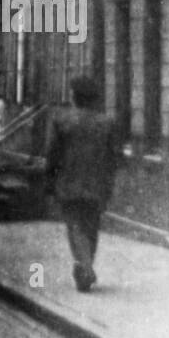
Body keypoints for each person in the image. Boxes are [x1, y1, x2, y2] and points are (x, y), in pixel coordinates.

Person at [45, 74, 119, 293]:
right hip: (97, 185)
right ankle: (85, 268)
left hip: (68, 183)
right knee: (91, 227)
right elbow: (114, 159)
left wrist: (49, 182)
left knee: (75, 226)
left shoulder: (61, 120)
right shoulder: (107, 123)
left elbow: (52, 155)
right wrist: (109, 184)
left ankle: (85, 267)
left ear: (75, 97)